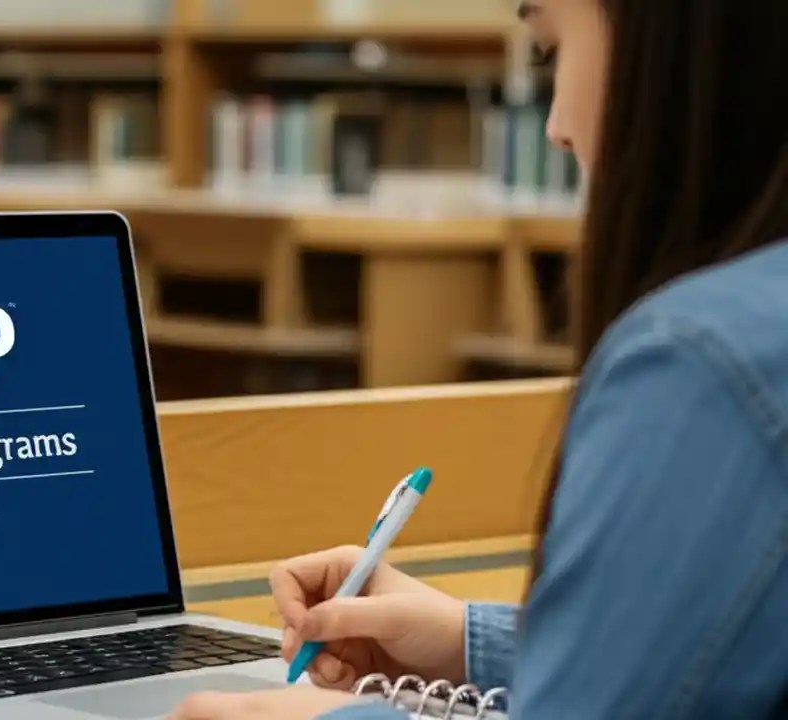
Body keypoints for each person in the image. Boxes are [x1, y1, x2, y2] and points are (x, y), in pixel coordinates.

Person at [168, 0, 788, 717]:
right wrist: (471, 640)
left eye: (554, 50)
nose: (555, 127)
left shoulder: (703, 369)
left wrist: (327, 717)